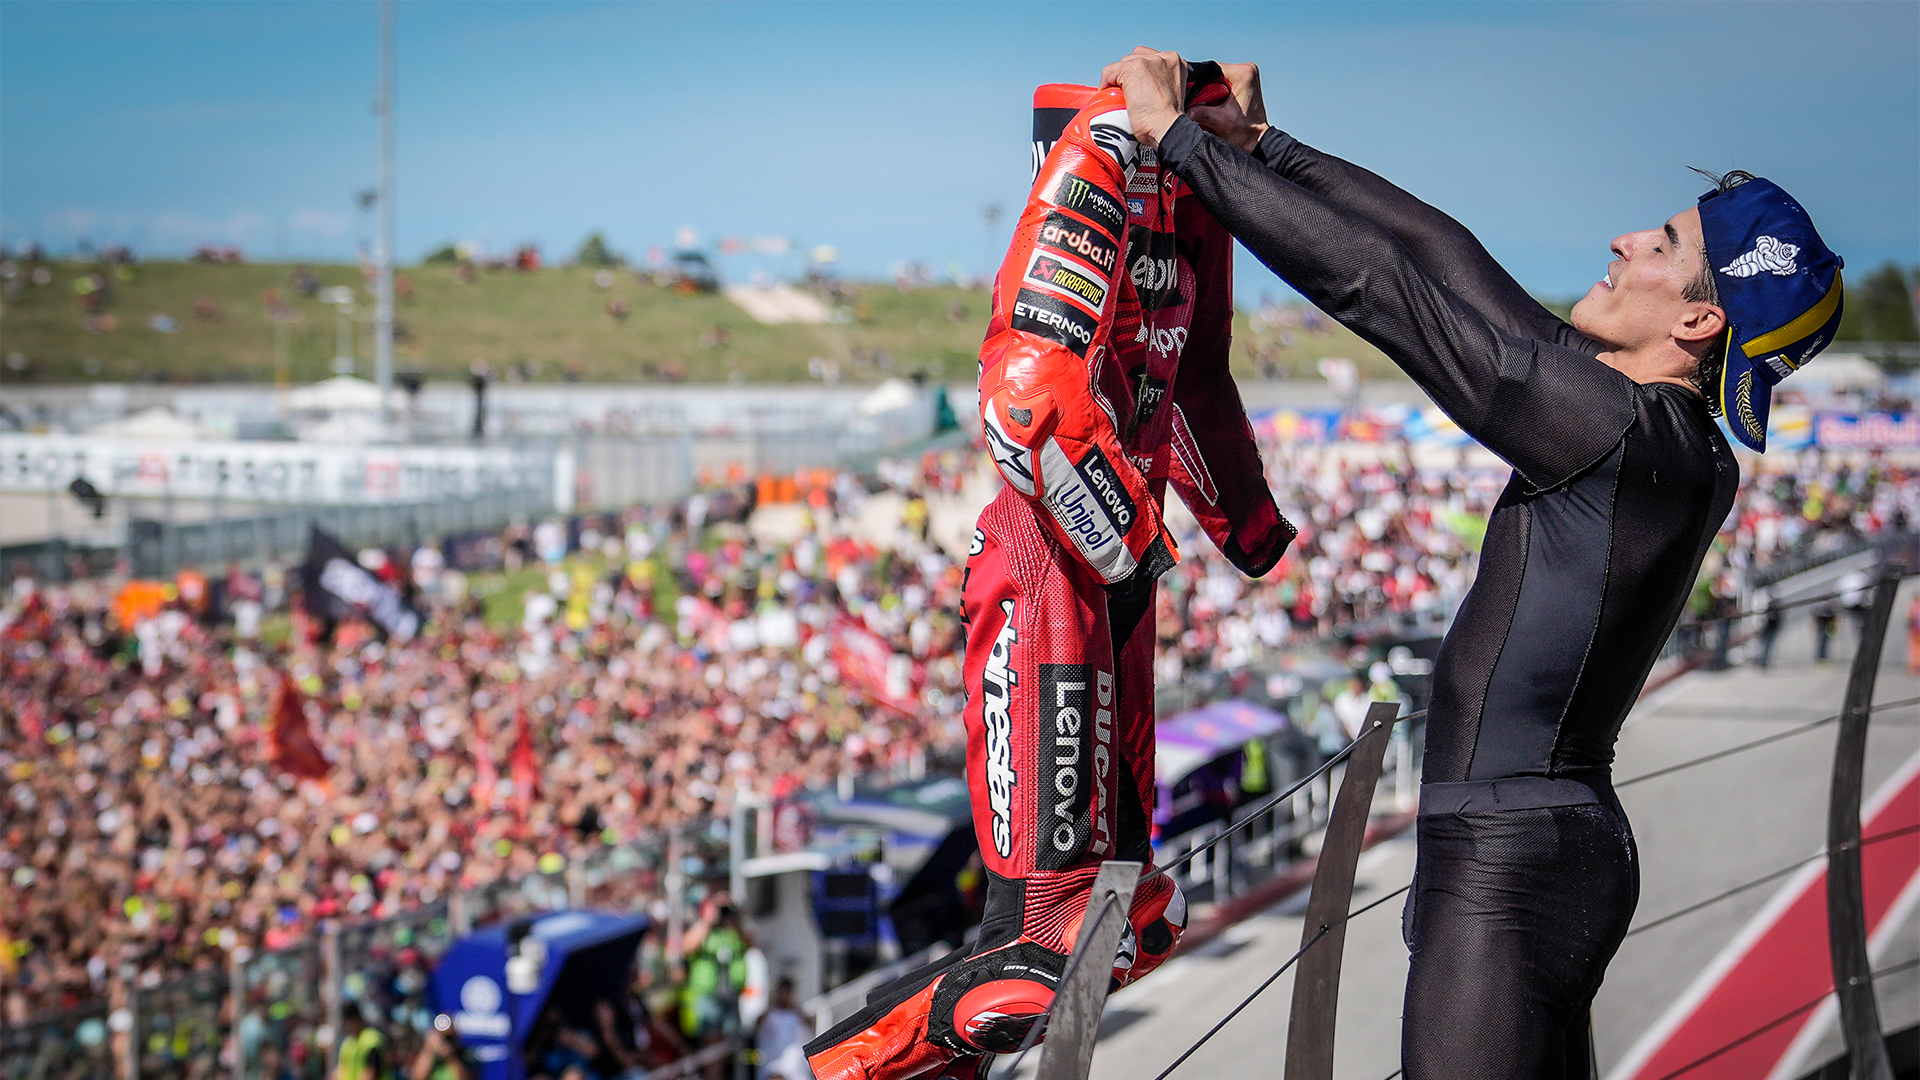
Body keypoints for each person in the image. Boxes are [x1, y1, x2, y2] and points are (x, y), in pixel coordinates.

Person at [1100, 48, 1843, 1080]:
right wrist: (1264, 146)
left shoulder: (1614, 427)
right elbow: (1442, 256)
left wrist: (1176, 142)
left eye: (1662, 243)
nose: (1624, 240)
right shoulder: (1662, 435)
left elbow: (1382, 292)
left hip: (1508, 865)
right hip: (1540, 846)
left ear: (1697, 320)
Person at [806, 66, 1294, 1080]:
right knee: (1042, 949)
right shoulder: (1099, 163)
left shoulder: (1188, 206)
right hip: (1054, 564)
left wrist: (1248, 529)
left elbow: (1195, 378)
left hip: (1119, 571)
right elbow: (1025, 406)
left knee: (1129, 917)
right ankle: (839, 1067)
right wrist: (1131, 547)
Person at [755, 978, 812, 1080]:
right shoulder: (769, 1015)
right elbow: (756, 1027)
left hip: (796, 1068)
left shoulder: (797, 1014)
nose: (784, 996)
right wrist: (771, 1004)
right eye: (782, 992)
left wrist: (795, 1006)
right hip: (774, 1067)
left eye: (788, 992)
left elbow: (810, 1025)